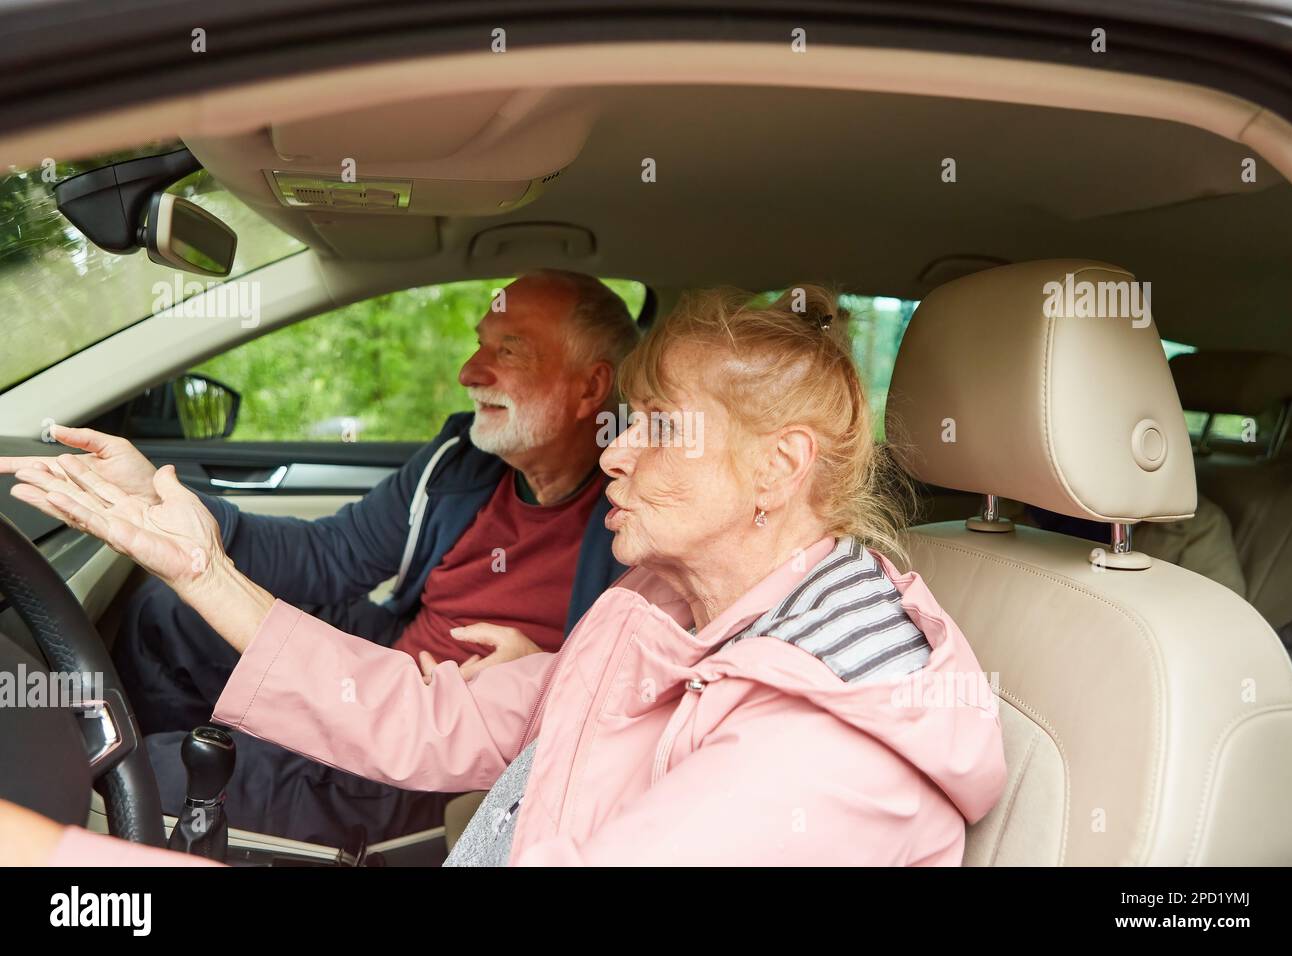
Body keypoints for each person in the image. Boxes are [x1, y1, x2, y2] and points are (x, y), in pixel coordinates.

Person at [5, 285, 1007, 866]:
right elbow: (432, 719)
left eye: (655, 429)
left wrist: (53, 855)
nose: (616, 455)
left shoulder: (822, 741)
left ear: (779, 468)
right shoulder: (656, 612)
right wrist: (202, 567)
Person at [0, 269, 639, 845]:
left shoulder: (639, 525)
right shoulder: (459, 463)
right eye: (479, 342)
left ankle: (186, 794)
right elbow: (331, 554)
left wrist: (556, 677)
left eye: (508, 351)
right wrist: (173, 507)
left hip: (427, 747)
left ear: (591, 389)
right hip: (386, 656)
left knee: (137, 776)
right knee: (165, 615)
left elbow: (643, 693)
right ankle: (215, 792)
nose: (470, 371)